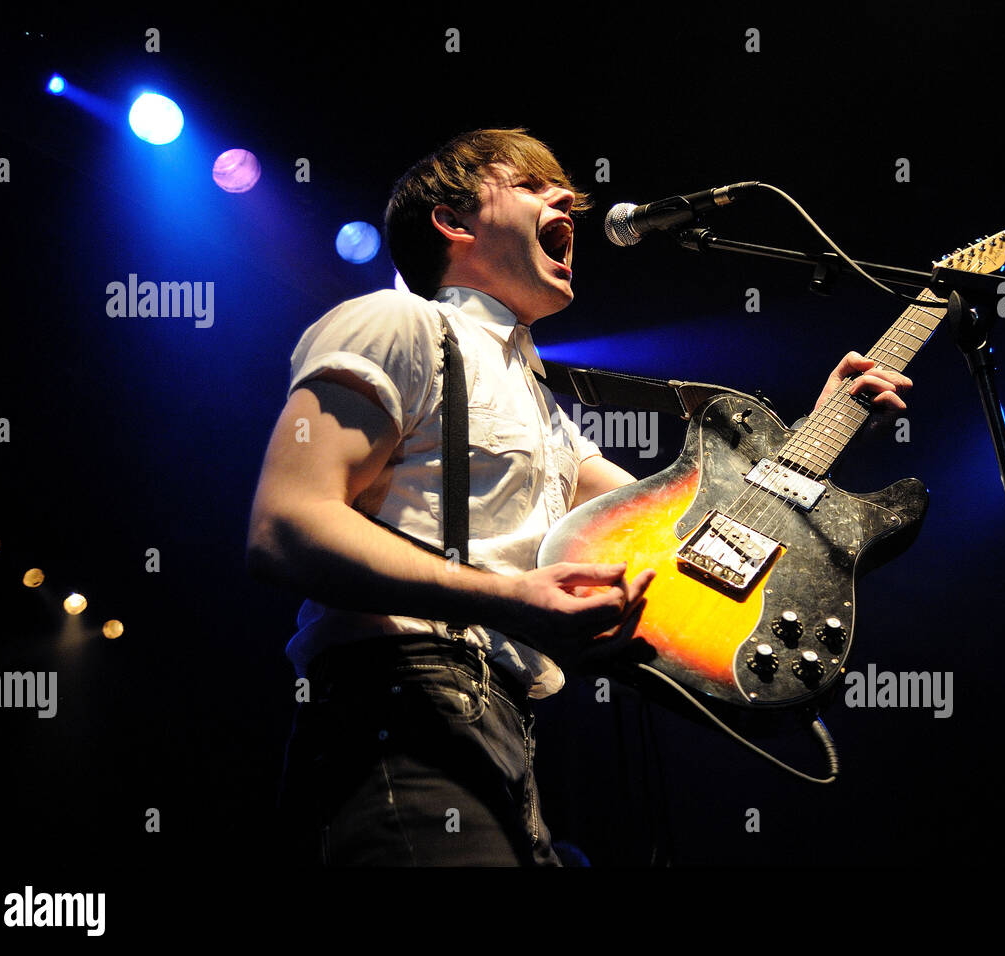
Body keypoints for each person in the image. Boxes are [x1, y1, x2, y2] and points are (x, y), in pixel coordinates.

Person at [246, 128, 911, 866]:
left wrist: (827, 425)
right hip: (398, 707)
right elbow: (286, 525)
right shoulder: (400, 324)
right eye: (530, 186)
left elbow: (693, 538)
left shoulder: (542, 409)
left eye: (561, 188)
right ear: (454, 223)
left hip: (508, 729)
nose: (565, 198)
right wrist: (507, 599)